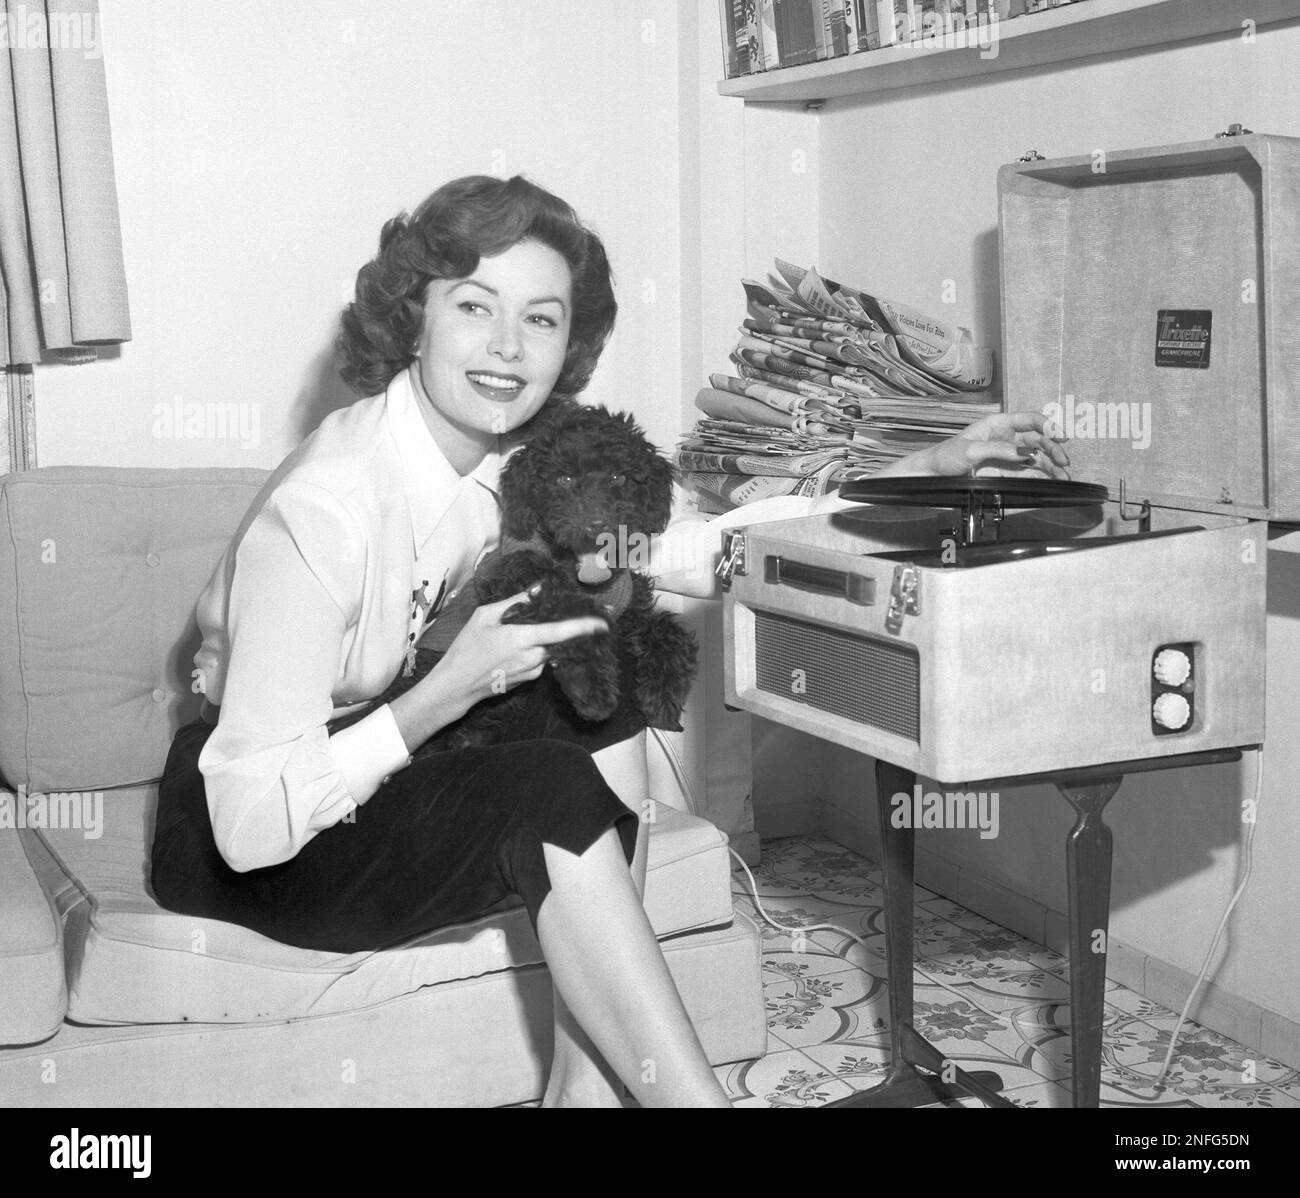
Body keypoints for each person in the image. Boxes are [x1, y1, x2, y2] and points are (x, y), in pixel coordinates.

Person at [150, 174, 1068, 1109]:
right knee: (543, 777)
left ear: (569, 344)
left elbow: (707, 553)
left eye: (541, 320)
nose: (508, 347)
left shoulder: (512, 457)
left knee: (591, 675)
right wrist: (443, 696)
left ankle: (582, 1097)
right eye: (475, 307)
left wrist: (926, 476)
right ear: (412, 316)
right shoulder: (327, 511)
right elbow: (249, 823)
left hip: (370, 766)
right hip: (251, 830)